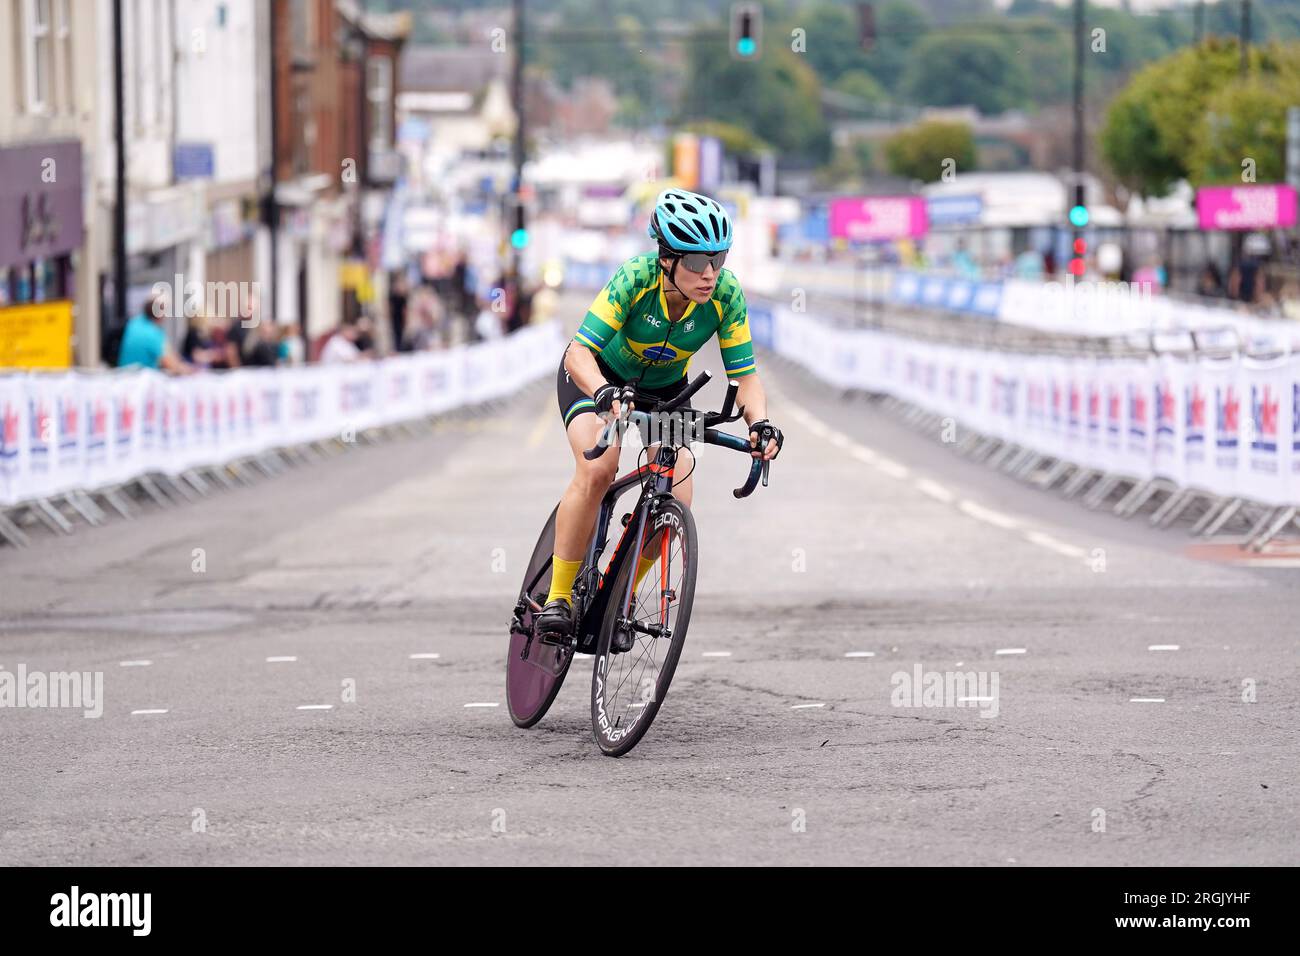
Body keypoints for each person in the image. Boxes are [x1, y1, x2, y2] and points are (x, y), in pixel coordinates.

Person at [533, 188, 785, 641]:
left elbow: (745, 377)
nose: (709, 274)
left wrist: (759, 424)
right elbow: (577, 354)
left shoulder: (726, 294)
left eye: (718, 259)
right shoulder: (635, 279)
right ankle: (558, 597)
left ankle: (619, 598)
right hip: (598, 378)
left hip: (665, 392)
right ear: (667, 259)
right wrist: (606, 392)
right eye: (695, 263)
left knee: (679, 486)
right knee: (598, 468)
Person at [117, 293, 190, 373]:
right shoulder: (153, 333)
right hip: (140, 377)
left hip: (123, 374)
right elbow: (171, 364)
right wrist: (188, 370)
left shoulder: (133, 323)